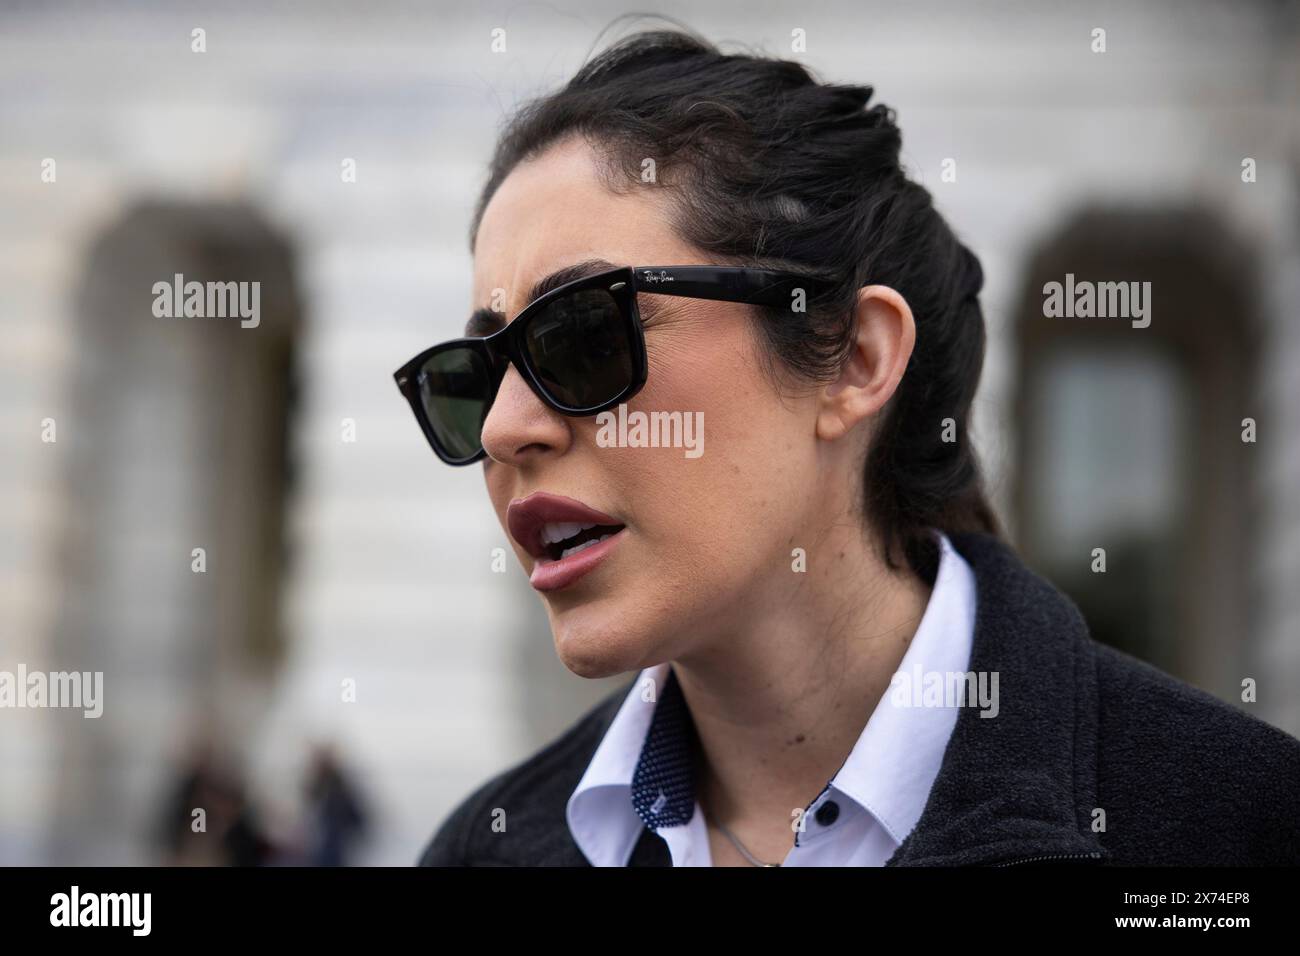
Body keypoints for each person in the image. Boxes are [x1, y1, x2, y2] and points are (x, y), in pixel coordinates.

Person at [397, 28, 1300, 866]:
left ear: (856, 359)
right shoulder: (485, 849)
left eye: (584, 335)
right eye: (473, 378)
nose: (504, 429)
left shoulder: (1243, 824)